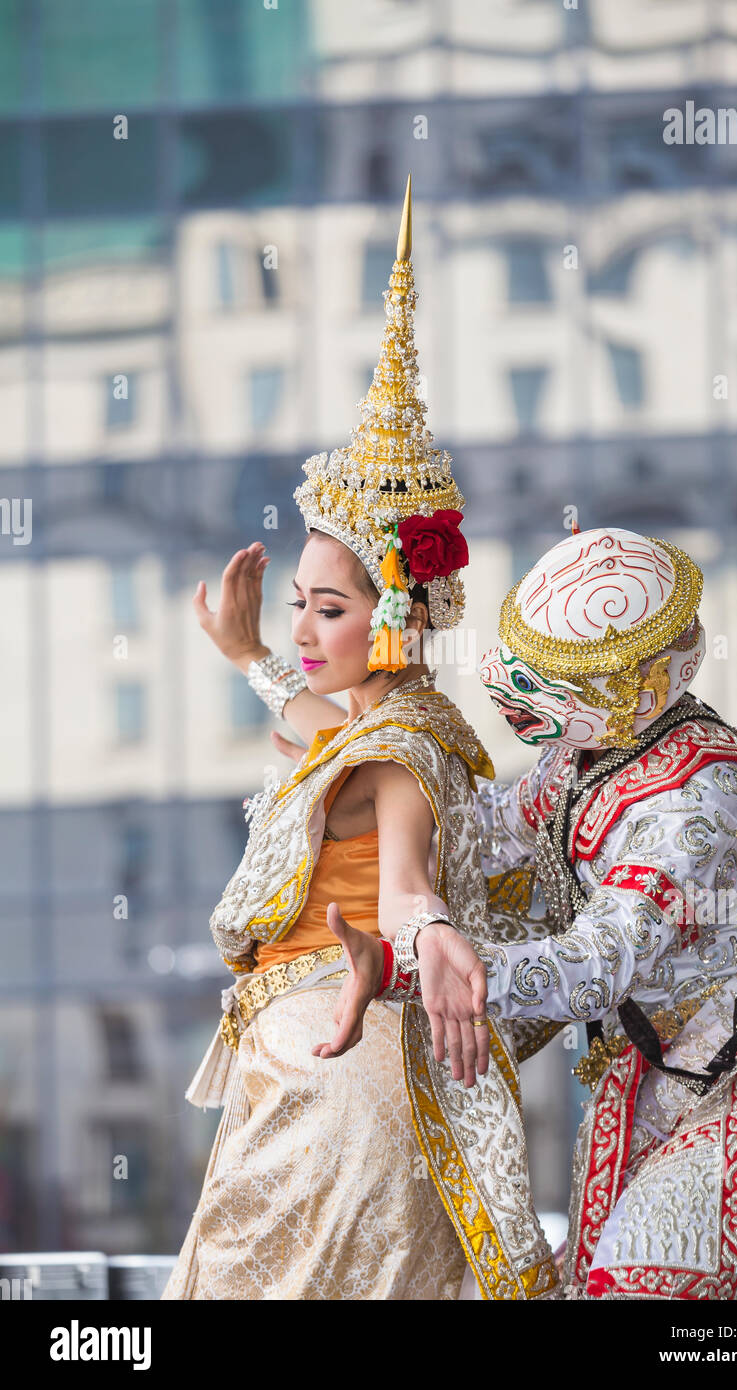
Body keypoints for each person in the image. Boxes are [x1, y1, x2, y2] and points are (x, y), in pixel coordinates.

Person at [161, 180, 560, 1301]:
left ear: (394, 613)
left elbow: (403, 879)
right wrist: (247, 657)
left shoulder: (400, 747)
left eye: (326, 609)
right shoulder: (380, 722)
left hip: (328, 1056)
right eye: (298, 601)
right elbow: (308, 722)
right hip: (329, 1046)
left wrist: (422, 934)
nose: (301, 627)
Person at [325, 525, 737, 1300]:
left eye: (543, 682)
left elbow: (593, 968)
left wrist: (404, 964)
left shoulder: (696, 804)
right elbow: (487, 827)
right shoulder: (593, 753)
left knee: (627, 1291)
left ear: (630, 688)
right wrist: (348, 776)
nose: (509, 691)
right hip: (653, 1082)